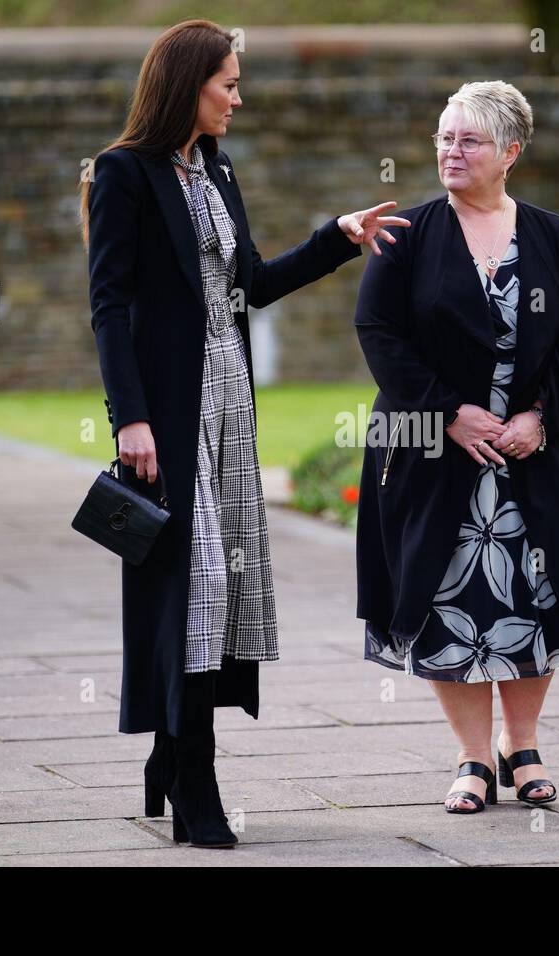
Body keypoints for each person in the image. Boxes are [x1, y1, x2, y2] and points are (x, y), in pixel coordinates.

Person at [80, 19, 408, 846]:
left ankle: (168, 749)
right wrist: (134, 420)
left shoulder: (218, 171)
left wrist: (338, 239)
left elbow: (251, 284)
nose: (237, 96)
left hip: (232, 406)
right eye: (227, 81)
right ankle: (196, 776)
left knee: (222, 595)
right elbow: (110, 307)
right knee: (197, 583)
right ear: (188, 83)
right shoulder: (124, 173)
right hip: (171, 410)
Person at [354, 81, 559, 815]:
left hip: (533, 454)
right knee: (446, 596)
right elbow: (379, 335)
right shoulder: (407, 235)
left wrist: (540, 416)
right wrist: (448, 413)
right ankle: (471, 759)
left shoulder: (554, 238)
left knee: (535, 595)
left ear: (510, 153)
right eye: (442, 137)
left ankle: (521, 747)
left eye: (467, 140)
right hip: (434, 454)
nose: (449, 151)